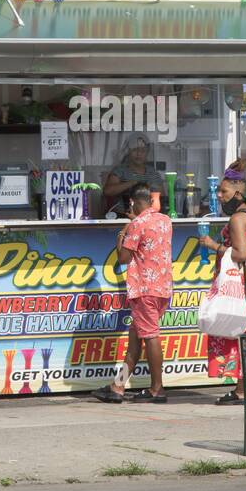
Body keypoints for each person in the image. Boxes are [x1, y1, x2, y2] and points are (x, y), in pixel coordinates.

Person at [198, 160, 246, 405]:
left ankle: (245, 390)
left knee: (242, 334)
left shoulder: (238, 219)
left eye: (223, 192)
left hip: (243, 287)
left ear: (237, 193)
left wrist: (213, 246)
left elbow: (240, 253)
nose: (219, 196)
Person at [94, 183, 173, 403]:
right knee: (135, 339)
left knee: (150, 336)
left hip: (144, 289)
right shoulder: (165, 221)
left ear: (132, 202)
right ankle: (118, 386)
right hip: (163, 287)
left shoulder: (137, 224)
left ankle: (157, 389)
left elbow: (124, 258)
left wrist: (120, 240)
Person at [101, 135, 166, 217]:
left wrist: (145, 190)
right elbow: (107, 191)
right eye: (135, 150)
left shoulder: (152, 173)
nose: (139, 154)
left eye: (142, 151)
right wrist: (131, 183)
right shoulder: (120, 170)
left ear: (147, 153)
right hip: (122, 216)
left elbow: (162, 196)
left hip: (148, 217)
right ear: (129, 152)